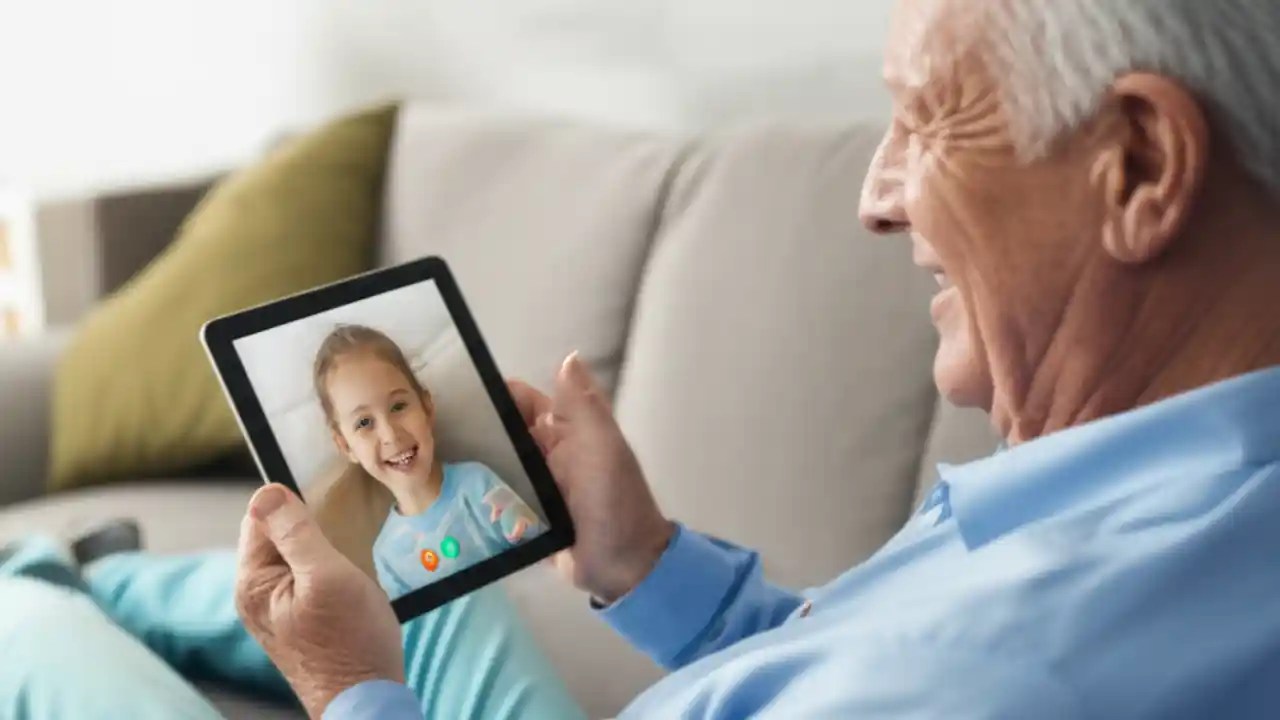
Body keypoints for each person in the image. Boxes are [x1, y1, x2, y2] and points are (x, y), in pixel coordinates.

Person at [236, 0, 1280, 718]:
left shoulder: (1003, 670)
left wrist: (350, 689)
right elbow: (830, 666)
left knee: (71, 652)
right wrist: (639, 559)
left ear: (1139, 165)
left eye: (923, 120)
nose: (874, 198)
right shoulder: (1182, 509)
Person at [309, 324, 543, 598]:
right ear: (345, 446)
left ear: (427, 407)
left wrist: (524, 529)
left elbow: (544, 552)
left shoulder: (477, 485)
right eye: (364, 423)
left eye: (398, 406)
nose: (389, 434)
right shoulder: (387, 556)